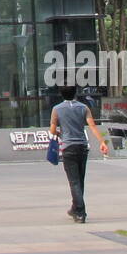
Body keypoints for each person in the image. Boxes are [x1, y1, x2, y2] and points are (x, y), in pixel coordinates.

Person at [49, 86, 108, 224]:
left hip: (68, 147)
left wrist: (60, 134)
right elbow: (92, 126)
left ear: (61, 94)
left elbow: (52, 131)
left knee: (74, 181)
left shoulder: (56, 109)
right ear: (75, 93)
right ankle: (75, 207)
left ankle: (80, 212)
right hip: (82, 146)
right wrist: (102, 142)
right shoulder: (84, 107)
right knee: (80, 180)